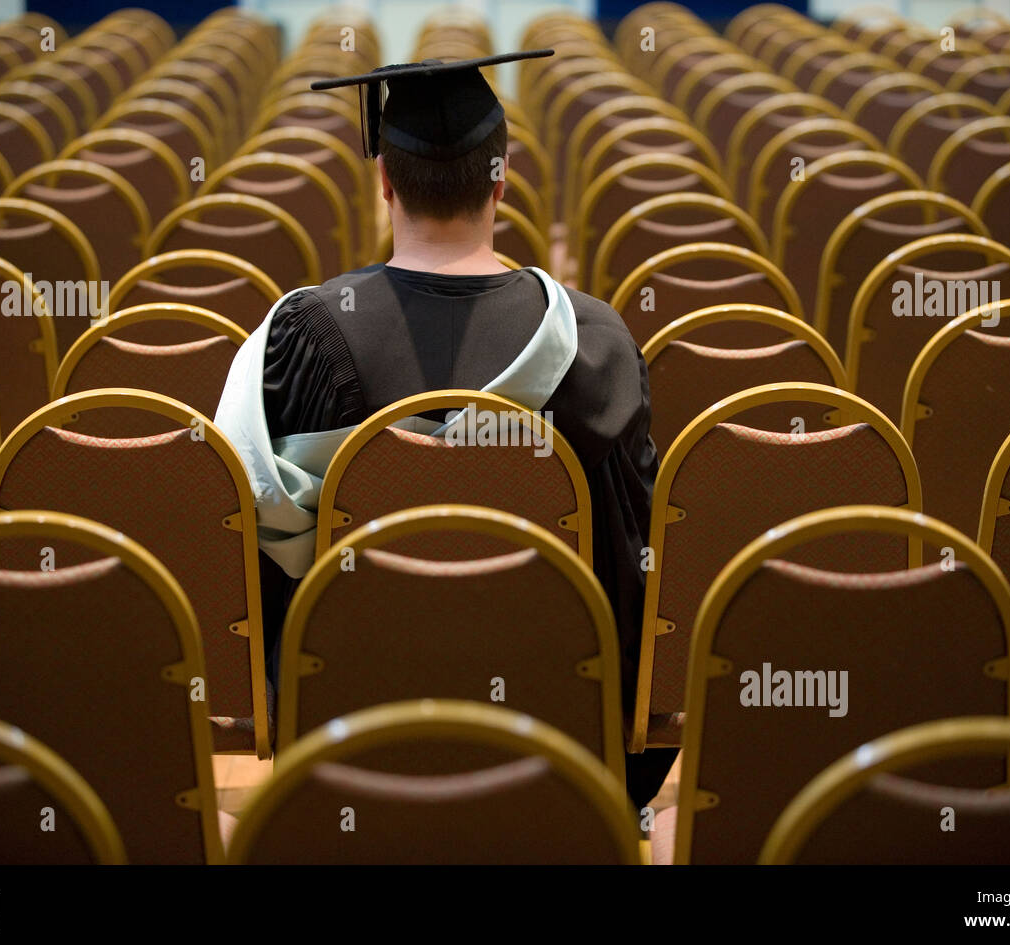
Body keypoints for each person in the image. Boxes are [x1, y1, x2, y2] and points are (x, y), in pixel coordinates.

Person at [214, 51, 674, 807]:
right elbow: (634, 581)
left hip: (347, 760)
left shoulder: (308, 337)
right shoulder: (595, 348)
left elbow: (254, 568)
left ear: (385, 182)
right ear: (502, 178)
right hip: (550, 757)